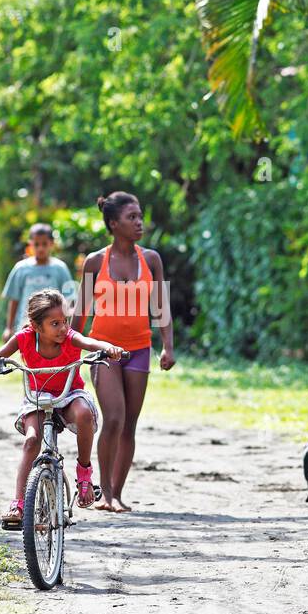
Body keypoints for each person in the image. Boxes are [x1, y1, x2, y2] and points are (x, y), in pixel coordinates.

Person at [0, 289, 124, 530]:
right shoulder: (23, 338)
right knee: (31, 441)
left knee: (84, 412)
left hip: (68, 394)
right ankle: (19, 503)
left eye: (64, 321)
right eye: (54, 323)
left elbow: (90, 342)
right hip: (37, 398)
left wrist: (109, 348)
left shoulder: (70, 338)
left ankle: (84, 472)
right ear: (36, 326)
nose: (63, 328)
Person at [75, 192, 175, 513]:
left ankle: (116, 494)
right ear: (113, 223)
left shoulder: (151, 259)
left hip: (139, 349)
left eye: (140, 216)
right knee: (113, 418)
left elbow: (161, 307)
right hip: (103, 350)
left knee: (130, 423)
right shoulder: (95, 261)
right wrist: (70, 351)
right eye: (132, 217)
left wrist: (167, 347)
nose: (139, 222)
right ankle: (103, 492)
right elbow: (80, 314)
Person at [1, 223, 74, 341]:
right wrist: (8, 328)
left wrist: (67, 325)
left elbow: (69, 299)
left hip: (53, 329)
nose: (40, 248)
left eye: (44, 244)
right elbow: (14, 299)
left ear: (51, 243)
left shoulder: (60, 268)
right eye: (36, 244)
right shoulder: (21, 268)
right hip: (26, 326)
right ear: (30, 244)